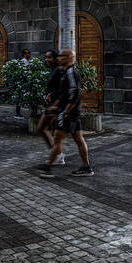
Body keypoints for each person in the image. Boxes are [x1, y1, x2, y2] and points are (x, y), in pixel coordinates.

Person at [36, 49, 93, 177]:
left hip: (69, 112)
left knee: (57, 138)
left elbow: (74, 93)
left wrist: (65, 111)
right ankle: (86, 167)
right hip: (71, 111)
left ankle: (47, 167)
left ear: (69, 58)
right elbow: (64, 94)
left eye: (62, 56)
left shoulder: (71, 72)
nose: (59, 58)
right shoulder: (65, 71)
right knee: (78, 139)